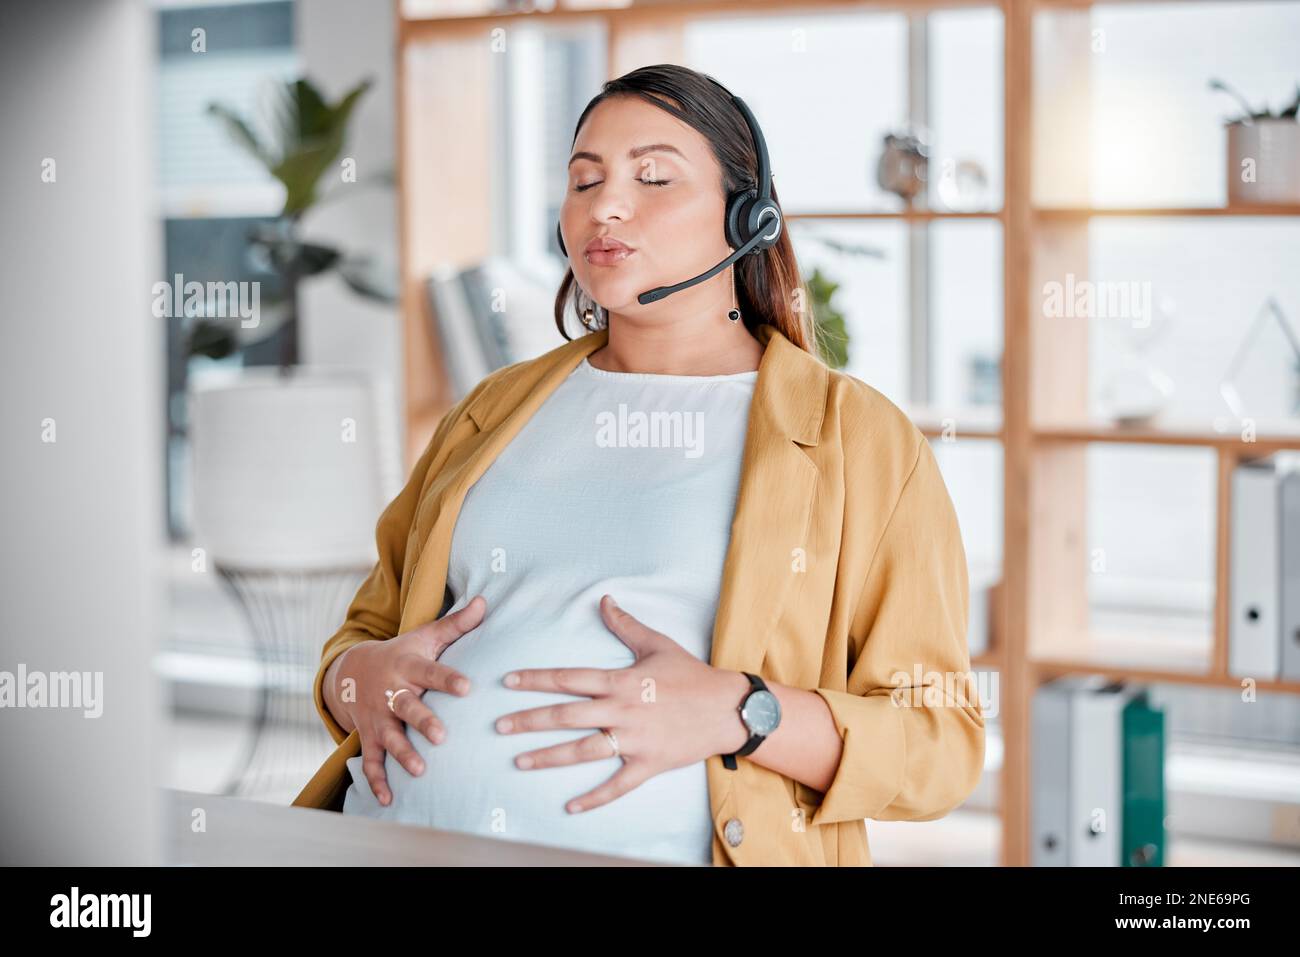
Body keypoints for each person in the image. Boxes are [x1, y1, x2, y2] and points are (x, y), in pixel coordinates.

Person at [292, 63, 985, 867]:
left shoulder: (858, 439)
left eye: (653, 176)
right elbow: (363, 636)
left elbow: (940, 742)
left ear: (746, 215)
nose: (606, 205)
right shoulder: (492, 410)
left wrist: (742, 710)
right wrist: (355, 678)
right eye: (584, 180)